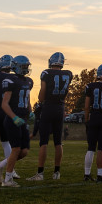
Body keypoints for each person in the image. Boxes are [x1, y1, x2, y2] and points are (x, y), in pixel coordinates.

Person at [31, 52, 73, 181]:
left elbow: (41, 97)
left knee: (43, 142)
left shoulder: (46, 73)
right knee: (58, 142)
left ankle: (40, 173)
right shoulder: (68, 74)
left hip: (48, 107)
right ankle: (56, 172)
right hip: (60, 108)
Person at [0, 55, 33, 187]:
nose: (26, 69)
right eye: (24, 66)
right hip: (13, 118)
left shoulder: (28, 81)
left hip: (23, 118)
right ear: (16, 66)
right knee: (16, 149)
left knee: (24, 151)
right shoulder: (10, 80)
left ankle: (0, 165)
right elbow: (4, 104)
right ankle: (7, 180)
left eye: (27, 66)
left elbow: (27, 99)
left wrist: (30, 110)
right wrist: (14, 117)